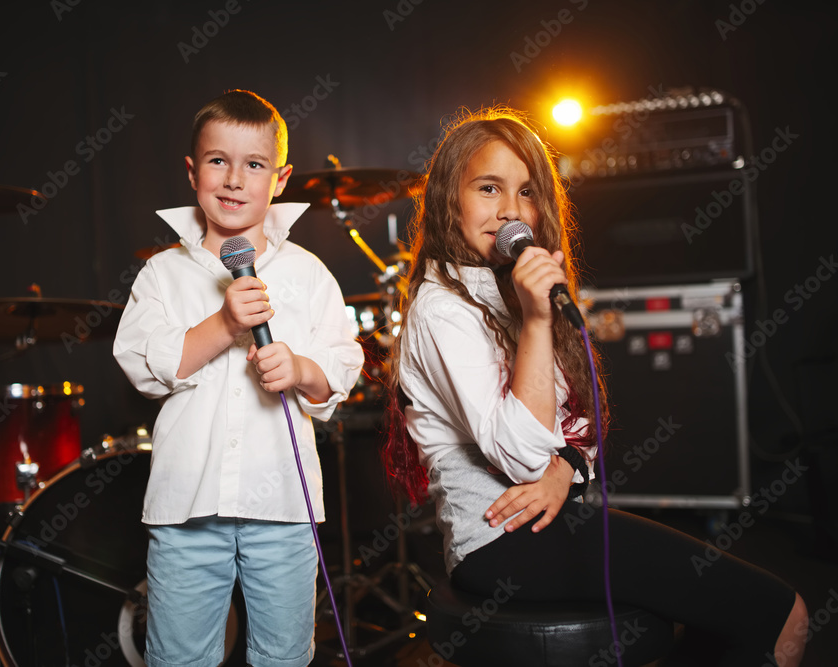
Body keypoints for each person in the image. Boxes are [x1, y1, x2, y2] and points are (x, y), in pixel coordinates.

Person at [382, 107, 808, 666]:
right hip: (501, 546)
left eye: (527, 192)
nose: (511, 211)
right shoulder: (444, 309)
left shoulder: (506, 294)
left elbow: (579, 425)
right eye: (489, 188)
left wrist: (565, 470)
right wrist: (538, 326)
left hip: (554, 521)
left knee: (748, 619)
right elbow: (520, 455)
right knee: (786, 618)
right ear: (448, 199)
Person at [114, 90, 364, 667]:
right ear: (192, 170)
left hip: (282, 504)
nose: (233, 179)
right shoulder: (162, 273)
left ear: (279, 179)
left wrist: (300, 369)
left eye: (253, 165)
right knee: (179, 656)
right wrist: (224, 323)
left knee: (283, 655)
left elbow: (341, 366)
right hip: (186, 506)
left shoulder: (307, 272)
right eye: (217, 160)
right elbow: (145, 366)